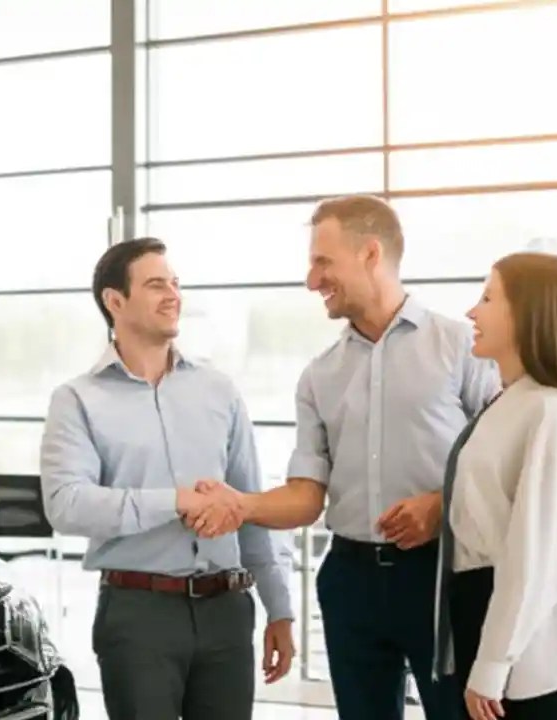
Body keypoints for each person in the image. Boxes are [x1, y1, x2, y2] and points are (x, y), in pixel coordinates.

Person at [188, 195, 501, 720]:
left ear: (371, 254)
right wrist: (241, 504)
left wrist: (441, 505)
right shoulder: (319, 375)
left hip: (442, 575)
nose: (312, 280)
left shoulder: (460, 347)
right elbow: (307, 497)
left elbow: (507, 461)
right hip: (350, 581)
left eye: (322, 262)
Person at [39, 237, 295, 720]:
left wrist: (278, 608)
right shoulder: (76, 400)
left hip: (227, 611)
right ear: (114, 301)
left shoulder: (219, 390)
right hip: (138, 615)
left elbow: (250, 505)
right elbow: (66, 503)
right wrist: (176, 501)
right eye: (156, 284)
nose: (173, 294)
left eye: (175, 284)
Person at [442, 251, 557, 720]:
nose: (471, 312)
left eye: (487, 298)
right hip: (490, 619)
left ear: (528, 313)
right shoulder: (511, 403)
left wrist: (492, 663)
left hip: (535, 654)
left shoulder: (552, 412)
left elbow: (536, 556)